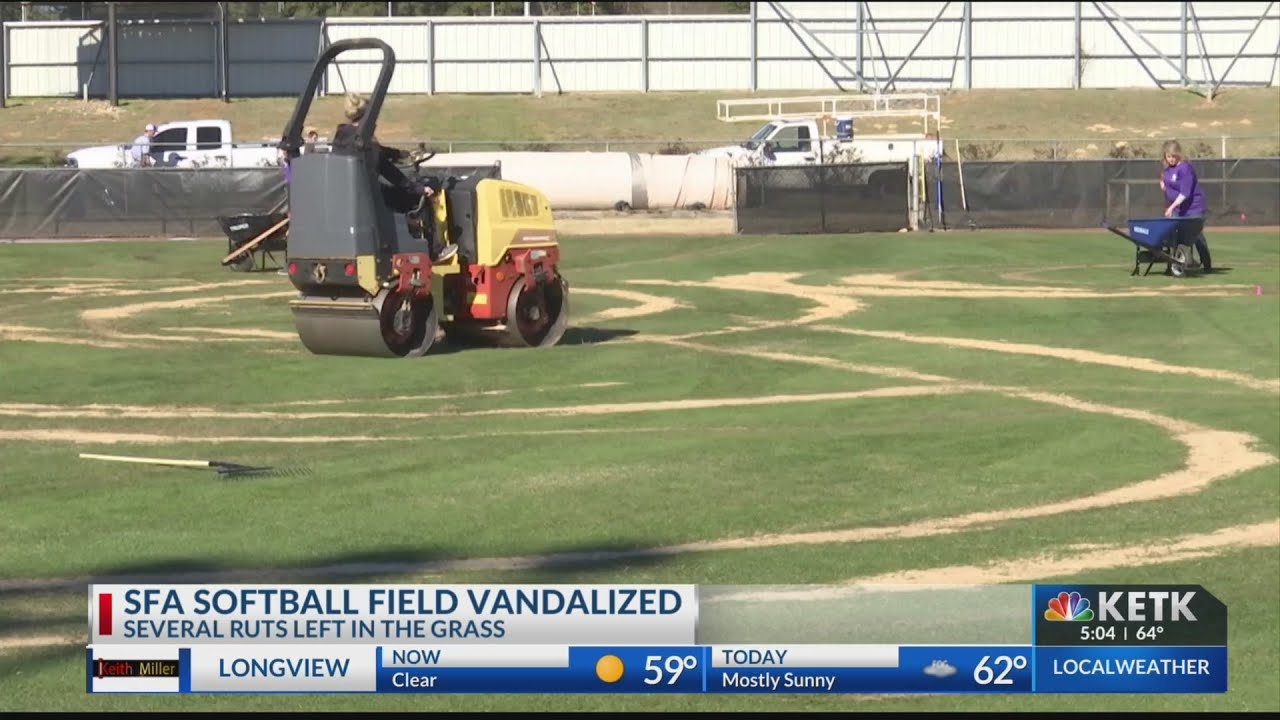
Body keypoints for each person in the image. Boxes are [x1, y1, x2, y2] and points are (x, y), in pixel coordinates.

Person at [333, 94, 456, 262]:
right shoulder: (366, 145)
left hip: (349, 195)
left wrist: (401, 154)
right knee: (419, 197)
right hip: (369, 197)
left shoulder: (341, 138)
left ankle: (412, 232)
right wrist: (419, 188)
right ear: (369, 119)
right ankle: (434, 251)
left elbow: (379, 152)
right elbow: (393, 174)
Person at [1159, 139, 1213, 273]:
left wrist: (1171, 208)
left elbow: (1185, 193)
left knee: (1196, 235)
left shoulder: (1185, 169)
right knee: (1174, 236)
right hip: (1178, 209)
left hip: (1193, 208)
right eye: (1168, 156)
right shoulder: (1167, 171)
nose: (1171, 159)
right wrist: (1164, 187)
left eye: (1173, 156)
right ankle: (1174, 264)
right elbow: (1168, 186)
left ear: (1178, 154)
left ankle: (1206, 263)